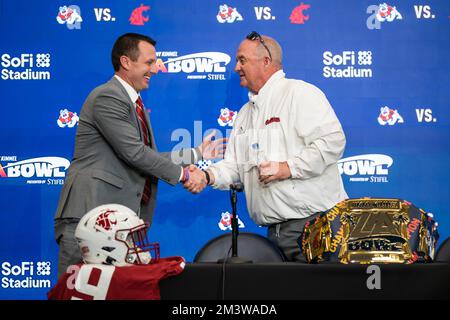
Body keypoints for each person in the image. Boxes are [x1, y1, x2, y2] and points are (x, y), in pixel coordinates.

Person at [54, 33, 221, 278]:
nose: (155, 69)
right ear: (126, 62)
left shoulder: (133, 102)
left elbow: (145, 155)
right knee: (78, 291)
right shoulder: (108, 96)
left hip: (112, 225)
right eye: (149, 62)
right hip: (89, 216)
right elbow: (134, 153)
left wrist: (195, 153)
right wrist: (185, 174)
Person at [184, 31, 348, 262]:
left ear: (266, 61)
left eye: (242, 60)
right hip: (275, 235)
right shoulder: (244, 114)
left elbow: (332, 141)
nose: (236, 68)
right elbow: (234, 166)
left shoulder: (300, 93)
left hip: (317, 229)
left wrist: (287, 167)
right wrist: (207, 175)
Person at [48, 204, 185, 300]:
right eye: (129, 239)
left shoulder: (75, 274)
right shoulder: (130, 279)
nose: (135, 246)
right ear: (106, 244)